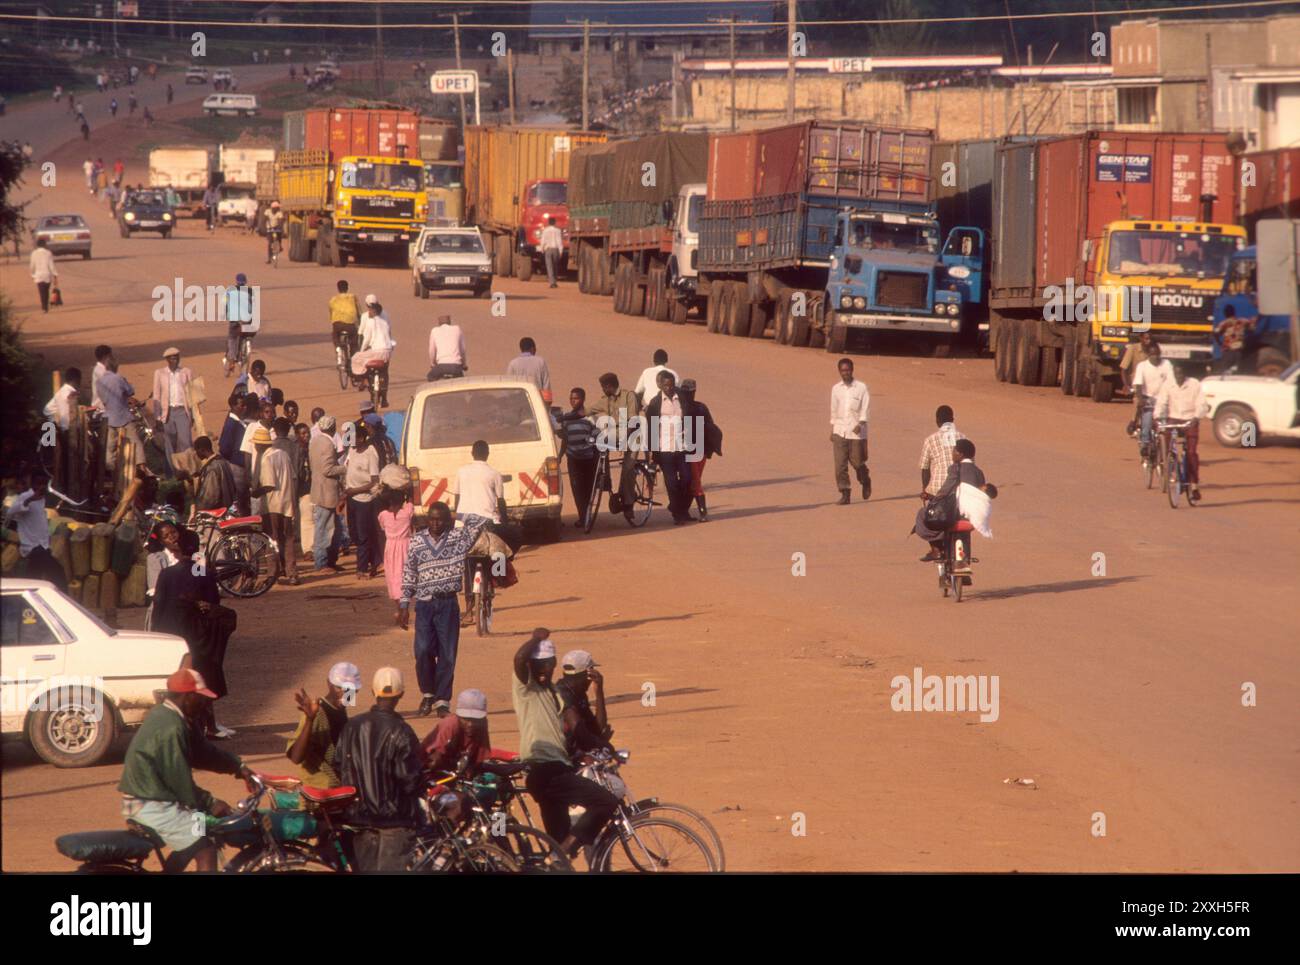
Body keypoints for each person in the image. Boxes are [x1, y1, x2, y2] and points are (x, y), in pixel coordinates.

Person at [117, 668, 253, 872]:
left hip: (156, 800)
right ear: (188, 697)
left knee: (200, 833)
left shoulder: (171, 715)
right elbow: (179, 781)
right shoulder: (172, 727)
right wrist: (211, 803)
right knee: (206, 849)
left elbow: (203, 752)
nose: (206, 704)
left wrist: (237, 767)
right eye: (201, 698)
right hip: (151, 805)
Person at [512, 630, 619, 857]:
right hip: (546, 770)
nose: (545, 670)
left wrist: (602, 745)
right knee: (606, 802)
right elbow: (519, 659)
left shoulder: (555, 693)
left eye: (548, 665)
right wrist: (536, 638)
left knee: (560, 852)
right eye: (539, 665)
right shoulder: (526, 689)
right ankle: (563, 851)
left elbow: (582, 730)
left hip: (557, 768)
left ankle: (557, 856)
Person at [397, 502, 492, 717]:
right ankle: (428, 693)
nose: (435, 523)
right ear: (427, 519)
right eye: (432, 518)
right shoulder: (416, 541)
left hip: (448, 604)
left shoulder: (458, 538)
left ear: (448, 520)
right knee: (422, 651)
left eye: (440, 519)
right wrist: (404, 604)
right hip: (424, 604)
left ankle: (442, 700)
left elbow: (481, 520)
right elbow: (409, 573)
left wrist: (455, 513)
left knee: (447, 654)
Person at [151, 524, 239, 739]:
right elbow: (208, 595)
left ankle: (207, 724)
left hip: (172, 628)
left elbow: (159, 603)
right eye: (167, 535)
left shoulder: (169, 572)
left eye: (174, 534)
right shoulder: (182, 564)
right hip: (195, 631)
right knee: (203, 675)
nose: (172, 537)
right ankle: (209, 725)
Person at [334, 667, 426, 871]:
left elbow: (339, 763)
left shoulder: (352, 726)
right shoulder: (402, 731)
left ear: (373, 693)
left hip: (360, 818)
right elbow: (409, 779)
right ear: (401, 694)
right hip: (395, 821)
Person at [287, 662, 361, 789]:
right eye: (339, 688)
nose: (343, 694)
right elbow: (296, 757)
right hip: (320, 787)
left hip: (337, 782)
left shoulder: (341, 709)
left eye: (350, 690)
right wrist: (310, 720)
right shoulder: (318, 712)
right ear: (329, 684)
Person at [913, 438, 986, 562]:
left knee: (923, 514)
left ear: (961, 454)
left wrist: (932, 498)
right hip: (972, 516)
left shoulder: (955, 468)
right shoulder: (979, 472)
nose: (952, 453)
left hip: (955, 513)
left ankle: (936, 550)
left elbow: (945, 490)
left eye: (954, 450)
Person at [253, 419, 299, 585]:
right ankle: (292, 573)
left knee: (271, 539)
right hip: (287, 502)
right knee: (288, 538)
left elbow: (268, 485)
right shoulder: (283, 454)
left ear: (260, 445)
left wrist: (255, 493)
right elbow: (293, 477)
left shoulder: (266, 458)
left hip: (272, 505)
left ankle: (273, 572)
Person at [587, 372, 642, 512]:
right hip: (616, 435)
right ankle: (605, 480)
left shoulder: (629, 396)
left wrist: (625, 438)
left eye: (603, 387)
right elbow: (588, 410)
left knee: (628, 469)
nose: (602, 390)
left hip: (632, 436)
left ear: (609, 386)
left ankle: (629, 504)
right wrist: (570, 416)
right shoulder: (606, 399)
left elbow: (633, 421)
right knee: (598, 446)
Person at [644, 370, 694, 524]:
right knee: (671, 483)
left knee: (687, 479)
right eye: (666, 385)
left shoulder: (682, 399)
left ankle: (677, 507)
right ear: (660, 386)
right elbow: (651, 428)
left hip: (682, 446)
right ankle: (678, 515)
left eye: (671, 385)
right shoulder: (654, 403)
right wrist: (652, 452)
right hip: (664, 449)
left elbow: (691, 417)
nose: (669, 388)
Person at [1154, 364, 1210, 501]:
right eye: (1176, 374)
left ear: (1185, 374)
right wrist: (1158, 417)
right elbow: (1162, 402)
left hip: (1190, 420)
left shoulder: (1194, 384)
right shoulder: (1168, 384)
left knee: (1191, 453)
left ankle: (1194, 485)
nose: (1178, 377)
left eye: (1181, 374)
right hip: (1173, 419)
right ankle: (1170, 465)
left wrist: (1196, 417)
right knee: (1166, 439)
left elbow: (1201, 403)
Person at [5, 469, 67, 589]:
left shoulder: (41, 499)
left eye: (44, 483)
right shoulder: (25, 497)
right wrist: (29, 500)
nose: (42, 486)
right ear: (32, 484)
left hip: (42, 547)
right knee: (56, 574)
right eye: (39, 483)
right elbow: (12, 511)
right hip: (33, 548)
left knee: (35, 577)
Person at [555, 649, 614, 756]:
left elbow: (599, 728)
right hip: (561, 756)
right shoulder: (562, 694)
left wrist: (598, 690)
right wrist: (602, 743)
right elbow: (579, 732)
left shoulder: (579, 693)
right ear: (588, 673)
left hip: (577, 751)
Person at [677, 378, 721, 522]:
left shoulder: (684, 408)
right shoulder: (700, 407)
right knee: (694, 481)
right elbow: (711, 428)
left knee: (694, 482)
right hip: (695, 449)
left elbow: (710, 429)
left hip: (696, 450)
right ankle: (692, 511)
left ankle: (692, 512)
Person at [419, 688, 492, 775]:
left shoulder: (482, 723)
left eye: (475, 720)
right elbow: (433, 761)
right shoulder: (450, 725)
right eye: (466, 719)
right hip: (431, 768)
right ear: (458, 716)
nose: (470, 724)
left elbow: (480, 759)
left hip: (460, 766)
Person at [830, 357, 871, 505]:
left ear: (852, 370)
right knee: (840, 465)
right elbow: (834, 410)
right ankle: (845, 493)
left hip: (856, 432)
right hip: (840, 431)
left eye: (847, 370)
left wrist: (861, 423)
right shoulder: (836, 389)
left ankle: (865, 479)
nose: (845, 373)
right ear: (839, 372)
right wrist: (833, 429)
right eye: (842, 370)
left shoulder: (861, 388)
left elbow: (865, 408)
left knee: (857, 462)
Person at [309, 414, 347, 571]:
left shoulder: (315, 441)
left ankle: (329, 561)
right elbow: (327, 469)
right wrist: (345, 468)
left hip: (320, 489)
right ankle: (322, 562)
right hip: (327, 491)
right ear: (332, 428)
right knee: (324, 529)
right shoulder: (327, 444)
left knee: (332, 528)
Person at [343, 422, 381, 579]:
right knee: (354, 534)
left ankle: (362, 568)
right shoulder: (351, 452)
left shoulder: (370, 454)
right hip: (351, 499)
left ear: (361, 438)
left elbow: (374, 481)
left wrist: (355, 491)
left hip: (364, 500)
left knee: (363, 535)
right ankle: (373, 561)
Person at [559, 388, 598, 527]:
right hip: (573, 459)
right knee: (577, 489)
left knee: (587, 489)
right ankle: (583, 517)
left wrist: (589, 444)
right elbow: (565, 439)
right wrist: (560, 455)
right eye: (571, 398)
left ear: (583, 399)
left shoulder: (590, 417)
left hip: (588, 459)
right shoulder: (567, 418)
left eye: (575, 398)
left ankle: (587, 515)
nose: (572, 401)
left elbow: (595, 436)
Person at [97, 357, 145, 471]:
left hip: (108, 419)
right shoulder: (119, 378)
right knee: (136, 443)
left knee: (110, 448)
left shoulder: (99, 382)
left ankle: (111, 470)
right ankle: (141, 467)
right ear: (115, 367)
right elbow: (130, 391)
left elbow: (103, 399)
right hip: (124, 417)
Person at [1131, 342, 1175, 462]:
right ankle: (1145, 444)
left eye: (1157, 354)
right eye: (1152, 354)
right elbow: (1138, 384)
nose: (1155, 357)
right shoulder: (1142, 366)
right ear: (1148, 355)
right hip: (1148, 398)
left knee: (1167, 425)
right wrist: (1140, 399)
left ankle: (1168, 450)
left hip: (1163, 399)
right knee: (1147, 421)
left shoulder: (1167, 364)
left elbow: (1172, 382)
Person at [152, 347, 196, 457]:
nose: (175, 361)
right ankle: (171, 472)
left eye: (176, 358)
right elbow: (156, 395)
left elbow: (192, 395)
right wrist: (157, 418)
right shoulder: (159, 373)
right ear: (167, 360)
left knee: (186, 443)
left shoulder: (186, 372)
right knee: (169, 445)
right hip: (167, 414)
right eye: (172, 358)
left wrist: (193, 414)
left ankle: (188, 470)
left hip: (182, 412)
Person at [352, 297, 394, 406]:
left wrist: (361, 351)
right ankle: (384, 398)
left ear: (374, 311)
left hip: (376, 351)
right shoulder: (385, 322)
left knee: (356, 358)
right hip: (387, 351)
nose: (368, 312)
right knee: (385, 370)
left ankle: (364, 380)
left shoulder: (371, 322)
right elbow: (389, 336)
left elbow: (367, 339)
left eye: (370, 310)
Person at [918, 405, 965, 499]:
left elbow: (925, 469)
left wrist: (925, 490)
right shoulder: (963, 438)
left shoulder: (930, 440)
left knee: (925, 513)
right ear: (952, 419)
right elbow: (969, 466)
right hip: (959, 490)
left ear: (937, 421)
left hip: (937, 490)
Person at [378, 487, 414, 605]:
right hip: (405, 546)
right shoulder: (407, 512)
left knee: (393, 576)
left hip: (390, 547)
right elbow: (410, 503)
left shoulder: (383, 515)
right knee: (405, 575)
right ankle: (405, 604)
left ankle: (398, 607)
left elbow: (383, 527)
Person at [191, 435, 236, 513]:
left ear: (202, 450)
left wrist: (197, 510)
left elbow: (210, 497)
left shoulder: (212, 469)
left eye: (196, 451)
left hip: (219, 512)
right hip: (229, 508)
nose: (196, 454)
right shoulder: (223, 461)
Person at [223, 273, 256, 376]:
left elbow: (226, 303)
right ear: (245, 281)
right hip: (247, 320)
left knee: (232, 338)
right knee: (247, 333)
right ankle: (244, 351)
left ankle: (232, 359)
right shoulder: (250, 291)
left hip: (235, 320)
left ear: (236, 281)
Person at [506, 337, 552, 403]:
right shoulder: (540, 362)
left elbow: (509, 387)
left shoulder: (513, 363)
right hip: (536, 402)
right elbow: (546, 385)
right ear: (532, 348)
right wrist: (547, 403)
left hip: (519, 402)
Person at [1214, 304, 1255, 374]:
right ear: (1234, 312)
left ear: (1225, 313)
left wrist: (1220, 343)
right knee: (1237, 371)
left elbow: (1215, 333)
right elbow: (1252, 328)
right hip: (1239, 350)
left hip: (1228, 350)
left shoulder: (1224, 323)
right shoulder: (1242, 321)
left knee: (1225, 371)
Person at [329, 279, 361, 367]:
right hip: (350, 325)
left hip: (337, 324)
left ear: (338, 289)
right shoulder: (353, 297)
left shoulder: (333, 299)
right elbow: (359, 313)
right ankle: (353, 358)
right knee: (354, 341)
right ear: (347, 288)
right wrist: (360, 323)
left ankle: (338, 347)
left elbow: (331, 314)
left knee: (335, 335)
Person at [427, 313, 467, 380]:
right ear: (449, 322)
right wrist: (464, 364)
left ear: (439, 323)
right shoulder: (457, 329)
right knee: (461, 382)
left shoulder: (434, 331)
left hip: (441, 367)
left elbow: (432, 350)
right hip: (456, 367)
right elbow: (462, 349)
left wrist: (432, 363)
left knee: (430, 377)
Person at [44, 367, 81, 432]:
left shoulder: (68, 391)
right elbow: (64, 418)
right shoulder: (66, 393)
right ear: (76, 379)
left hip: (56, 424)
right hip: (51, 426)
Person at [29, 237, 57, 313]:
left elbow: (32, 265)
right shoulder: (48, 253)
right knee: (46, 291)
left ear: (37, 245)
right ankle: (46, 306)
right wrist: (55, 275)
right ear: (44, 245)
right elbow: (51, 265)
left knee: (41, 292)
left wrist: (32, 274)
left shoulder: (34, 253)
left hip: (38, 275)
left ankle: (44, 307)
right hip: (47, 275)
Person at [540, 216, 564, 288]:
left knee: (549, 266)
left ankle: (552, 282)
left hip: (548, 250)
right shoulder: (558, 230)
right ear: (555, 222)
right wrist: (561, 251)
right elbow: (559, 241)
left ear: (548, 222)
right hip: (556, 250)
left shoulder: (545, 230)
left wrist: (542, 249)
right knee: (555, 266)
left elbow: (543, 241)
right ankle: (554, 281)